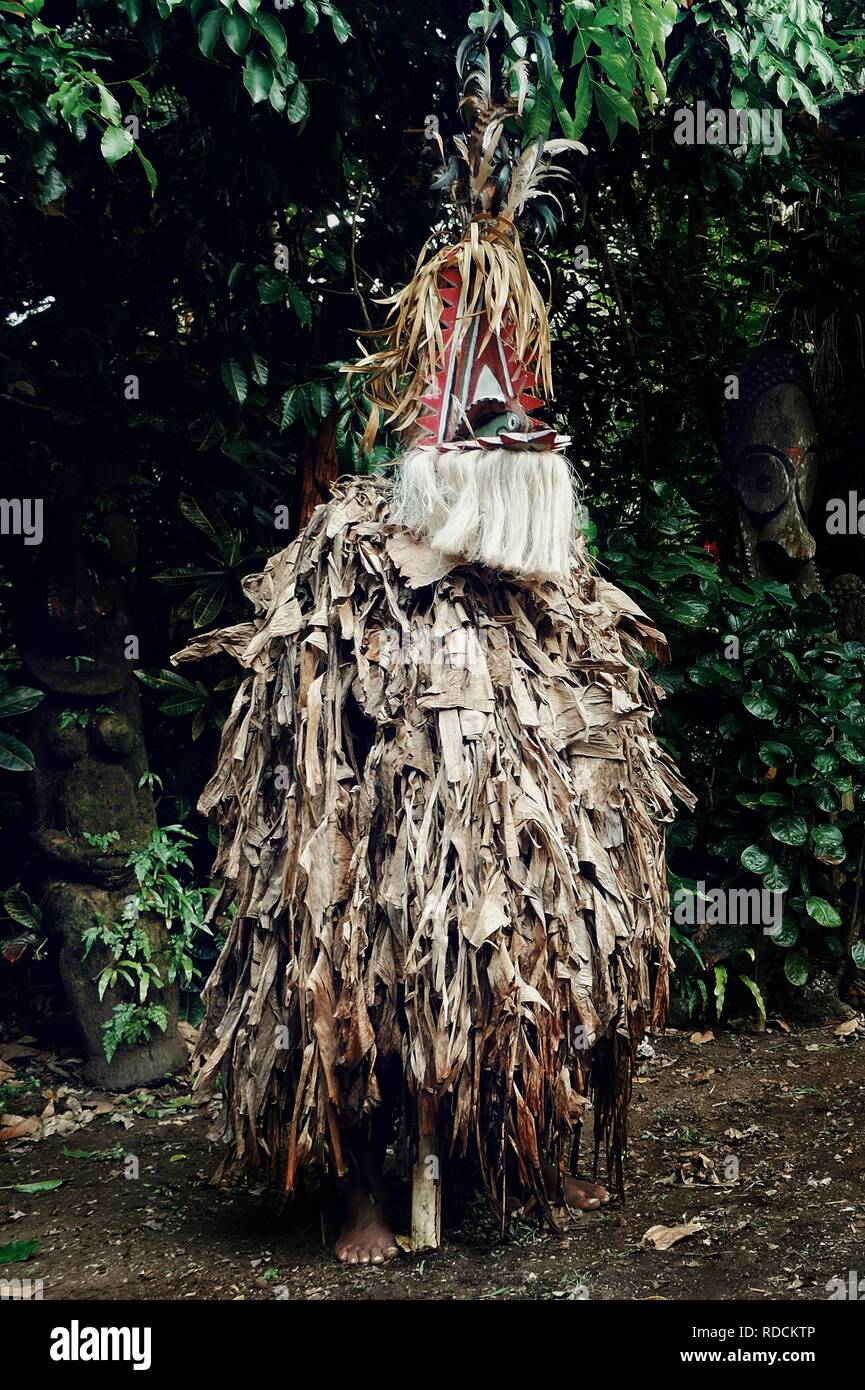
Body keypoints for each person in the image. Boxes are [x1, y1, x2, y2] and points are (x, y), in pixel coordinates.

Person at [174, 26, 693, 1265]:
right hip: (367, 883)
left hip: (497, 896)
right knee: (350, 955)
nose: (511, 428)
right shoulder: (351, 576)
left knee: (545, 942)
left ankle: (504, 1154)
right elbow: (302, 785)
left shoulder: (557, 604)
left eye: (525, 406)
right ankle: (352, 1183)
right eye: (484, 405)